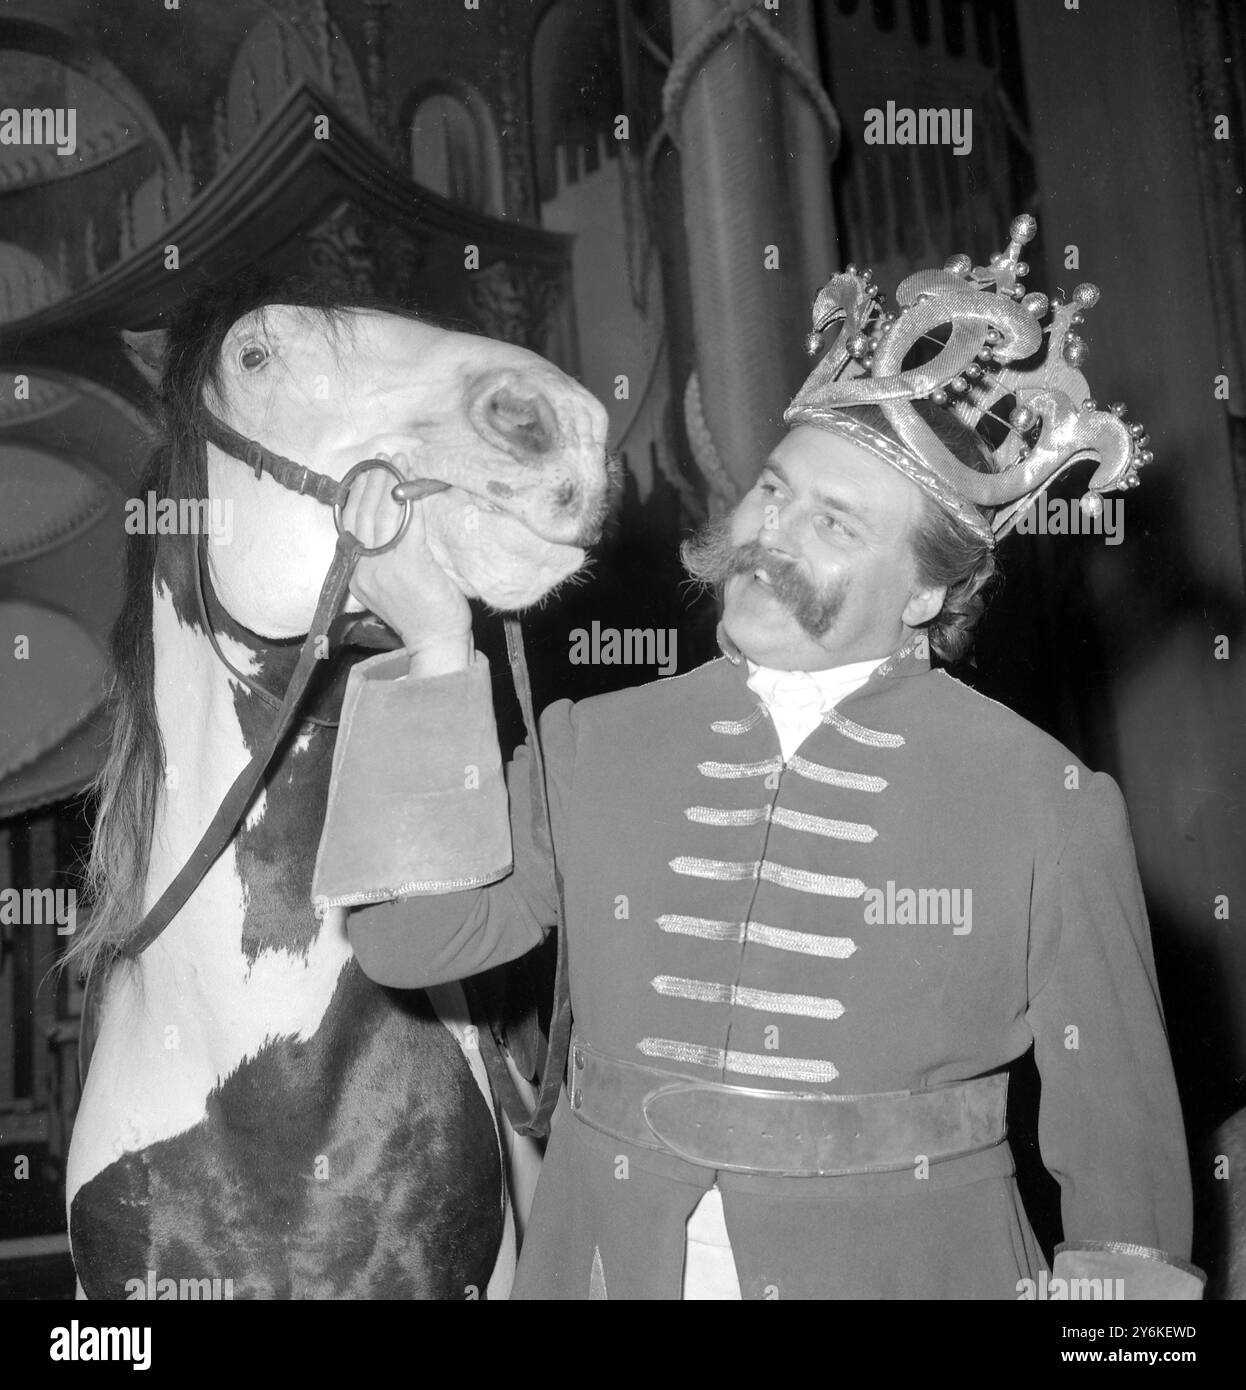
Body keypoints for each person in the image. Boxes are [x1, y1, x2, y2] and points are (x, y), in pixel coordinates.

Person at [312, 216, 1204, 1299]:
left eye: (832, 523)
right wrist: (437, 648)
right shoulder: (593, 744)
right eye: (774, 491)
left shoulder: (1046, 801)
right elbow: (406, 941)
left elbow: (1123, 1163)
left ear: (925, 591)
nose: (770, 535)